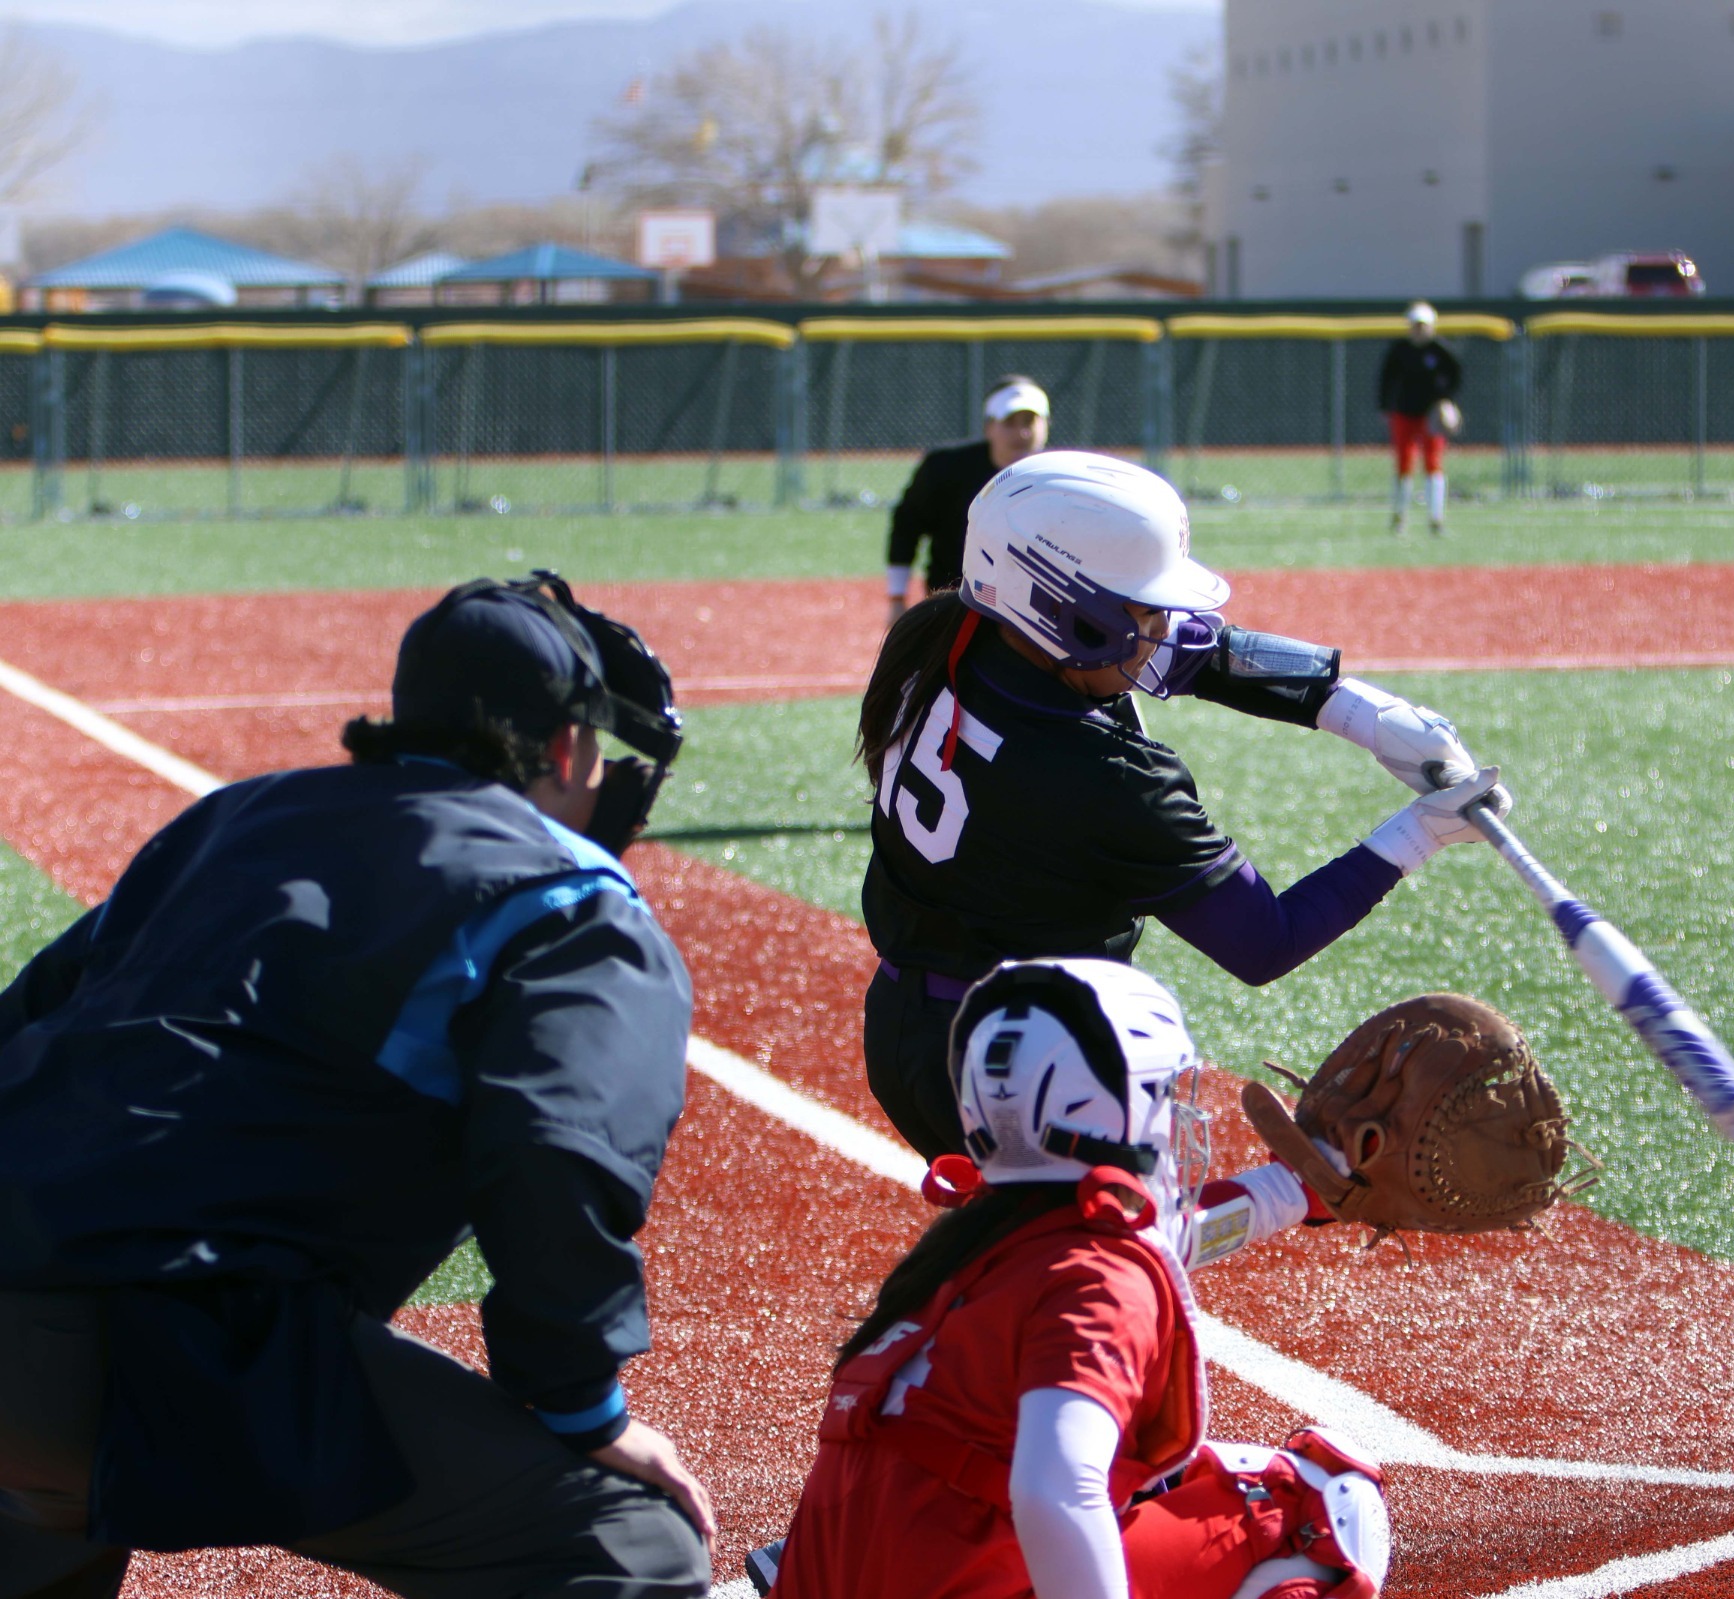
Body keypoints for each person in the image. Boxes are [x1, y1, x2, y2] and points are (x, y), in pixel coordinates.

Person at [0, 572, 714, 1599]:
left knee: (39, 1502)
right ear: (565, 749)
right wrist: (580, 1408)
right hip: (168, 1335)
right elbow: (553, 1148)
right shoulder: (569, 897)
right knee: (627, 1550)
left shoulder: (235, 818)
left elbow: (29, 1016)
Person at [856, 449, 1509, 1160]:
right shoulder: (1108, 778)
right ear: (1062, 611)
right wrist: (1420, 832)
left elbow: (1191, 649)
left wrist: (1355, 710)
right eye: (1143, 607)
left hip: (910, 1016)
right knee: (1118, 1252)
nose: (1168, 626)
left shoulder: (949, 631)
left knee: (1009, 1250)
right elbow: (1266, 942)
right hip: (1015, 1059)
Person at [763, 958, 1393, 1599]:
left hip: (844, 1564)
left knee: (1160, 1473)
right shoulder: (1097, 1273)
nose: (1174, 1112)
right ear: (1109, 1104)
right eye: (1162, 1093)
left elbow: (1168, 1237)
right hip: (950, 1569)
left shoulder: (980, 1235)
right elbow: (1056, 1488)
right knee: (1317, 1499)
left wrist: (1294, 1188)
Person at [884, 373, 1051, 626]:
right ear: (988, 427)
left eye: (1029, 420)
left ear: (1046, 425)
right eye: (1009, 422)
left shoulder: (1061, 479)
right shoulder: (945, 468)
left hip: (1035, 608)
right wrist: (897, 597)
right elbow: (907, 524)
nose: (1021, 432)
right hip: (955, 602)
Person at [1376, 301, 1463, 536]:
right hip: (1404, 412)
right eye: (1415, 325)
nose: (1419, 330)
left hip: (1430, 415)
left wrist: (1447, 403)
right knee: (1404, 463)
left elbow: (1455, 377)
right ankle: (1399, 516)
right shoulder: (1400, 350)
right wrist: (1385, 407)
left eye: (1423, 325)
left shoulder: (1440, 350)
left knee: (1433, 463)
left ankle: (1436, 518)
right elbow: (1386, 379)